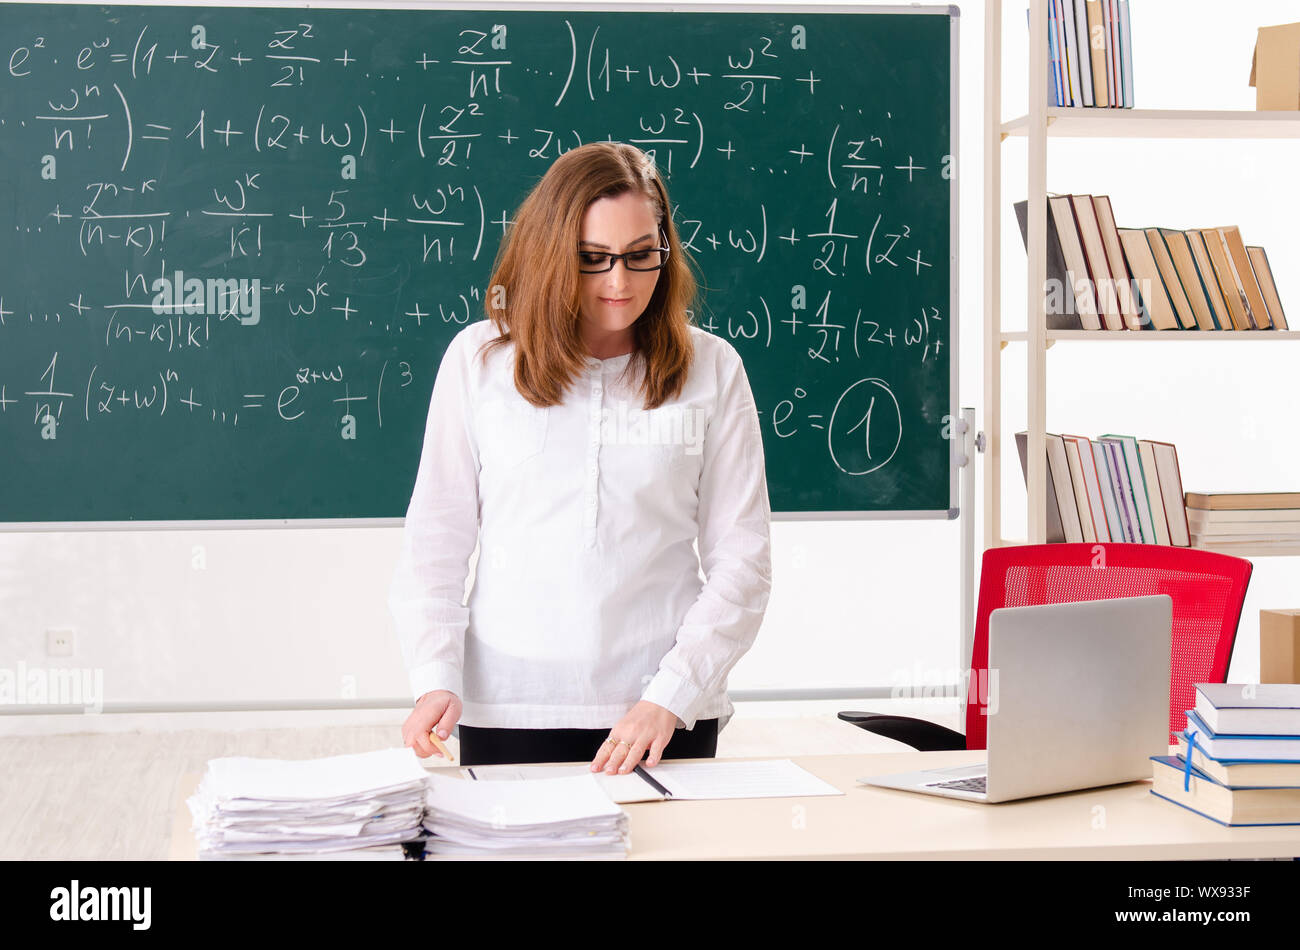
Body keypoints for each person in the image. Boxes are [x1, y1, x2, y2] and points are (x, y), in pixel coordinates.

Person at [391, 141, 772, 773]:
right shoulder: (479, 360)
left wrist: (670, 697)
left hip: (661, 714)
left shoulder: (713, 368)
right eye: (592, 259)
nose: (620, 283)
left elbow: (744, 561)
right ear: (550, 253)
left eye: (640, 255)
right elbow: (436, 539)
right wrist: (434, 674)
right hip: (508, 709)